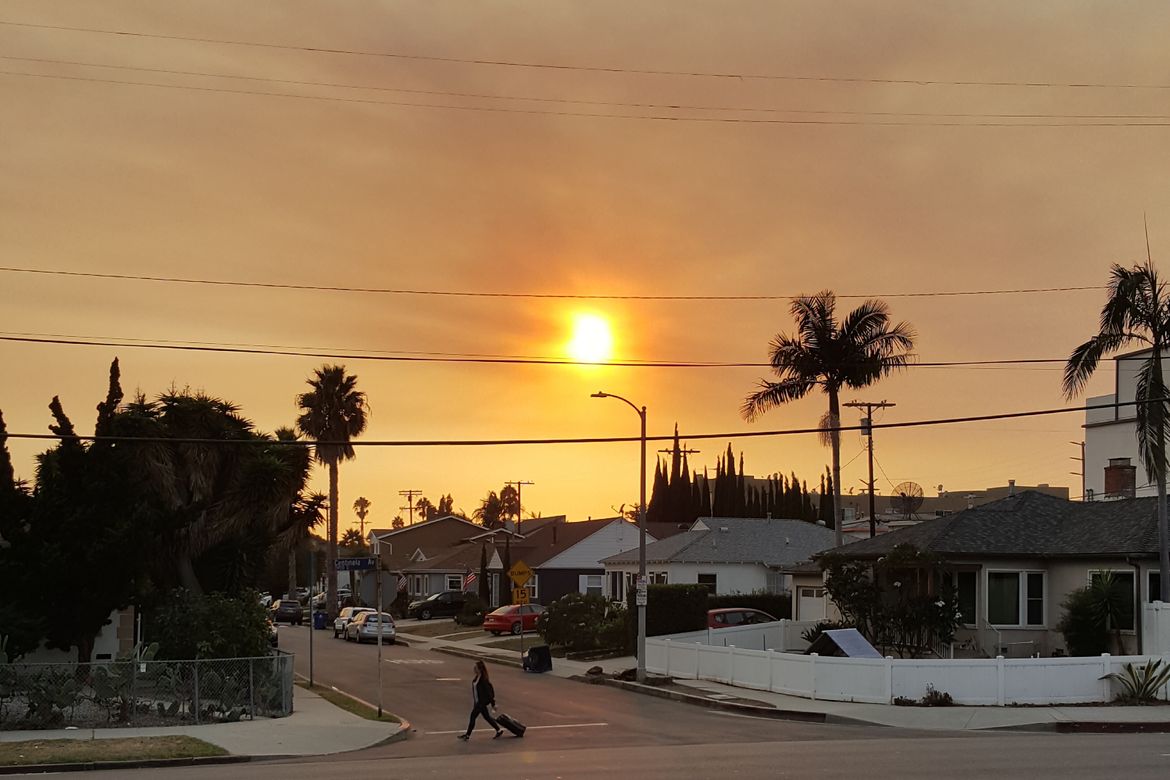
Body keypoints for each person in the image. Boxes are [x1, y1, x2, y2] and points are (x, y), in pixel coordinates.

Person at [458, 660, 502, 740]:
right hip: (477, 702)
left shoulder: (483, 680)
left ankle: (467, 735)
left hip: (481, 703)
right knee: (487, 717)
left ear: (480, 669)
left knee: (473, 716)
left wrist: (493, 704)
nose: (474, 669)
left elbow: (489, 693)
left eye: (476, 667)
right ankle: (498, 730)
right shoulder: (476, 678)